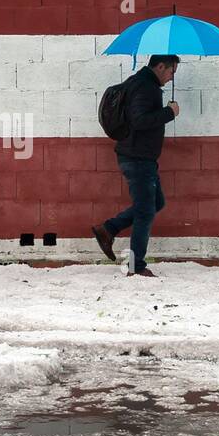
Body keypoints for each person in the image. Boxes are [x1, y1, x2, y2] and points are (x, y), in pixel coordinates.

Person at [91, 54, 181, 277]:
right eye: (172, 71)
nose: (172, 77)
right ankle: (136, 265)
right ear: (160, 66)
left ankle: (108, 229)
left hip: (140, 157)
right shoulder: (145, 87)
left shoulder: (139, 82)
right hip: (137, 158)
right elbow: (139, 120)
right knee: (145, 211)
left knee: (155, 203)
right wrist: (169, 113)